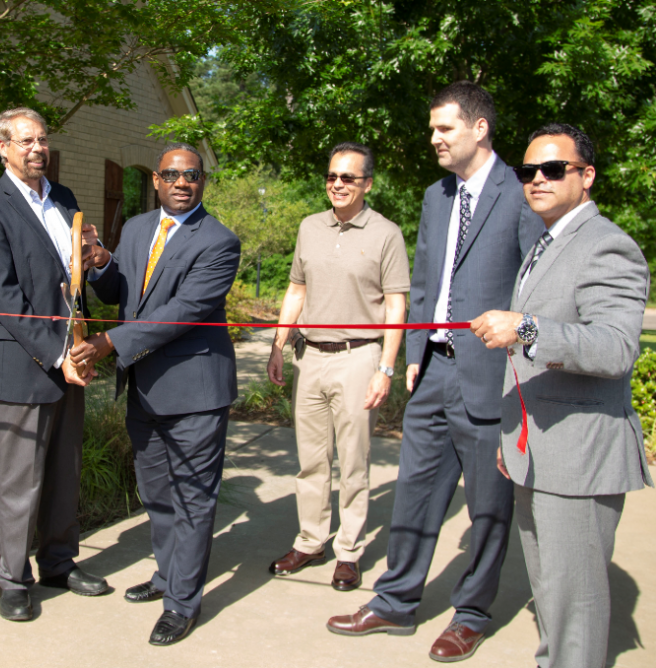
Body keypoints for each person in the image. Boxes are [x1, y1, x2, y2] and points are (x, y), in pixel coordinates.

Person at [327, 81, 544, 662]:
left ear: (479, 128)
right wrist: (414, 356)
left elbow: (537, 288)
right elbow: (423, 283)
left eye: (444, 128)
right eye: (431, 129)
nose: (434, 139)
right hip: (434, 369)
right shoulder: (435, 196)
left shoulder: (522, 195)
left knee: (488, 505)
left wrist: (519, 356)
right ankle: (395, 602)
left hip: (494, 375)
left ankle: (471, 613)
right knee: (415, 494)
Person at [470, 124, 653, 668]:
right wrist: (513, 436)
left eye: (554, 169)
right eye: (528, 172)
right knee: (551, 595)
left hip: (580, 458)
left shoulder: (607, 244)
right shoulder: (547, 241)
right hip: (536, 451)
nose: (538, 180)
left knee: (575, 608)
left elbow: (616, 347)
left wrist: (526, 327)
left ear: (587, 176)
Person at [71, 142, 241, 646]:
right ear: (157, 182)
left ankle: (182, 604)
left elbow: (183, 312)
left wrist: (109, 343)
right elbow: (121, 291)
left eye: (191, 174)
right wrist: (102, 263)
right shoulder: (139, 228)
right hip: (143, 390)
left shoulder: (219, 242)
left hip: (195, 393)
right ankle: (168, 576)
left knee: (192, 499)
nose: (182, 182)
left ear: (202, 182)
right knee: (159, 495)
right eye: (171, 174)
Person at [0, 107, 106, 623]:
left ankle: (60, 563)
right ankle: (12, 578)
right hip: (24, 363)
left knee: (64, 472)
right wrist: (55, 353)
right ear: (2, 147)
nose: (37, 149)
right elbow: (3, 297)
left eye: (42, 140)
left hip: (74, 357)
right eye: (25, 141)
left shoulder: (64, 199)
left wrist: (91, 257)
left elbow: (69, 279)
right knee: (18, 480)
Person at [267, 143, 409, 591]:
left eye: (348, 178)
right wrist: (278, 344)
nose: (337, 184)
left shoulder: (386, 233)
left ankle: (348, 550)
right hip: (310, 358)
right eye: (332, 176)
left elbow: (396, 304)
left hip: (358, 358)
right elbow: (295, 290)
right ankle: (311, 541)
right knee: (310, 461)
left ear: (367, 183)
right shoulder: (310, 227)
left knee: (352, 463)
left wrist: (386, 368)